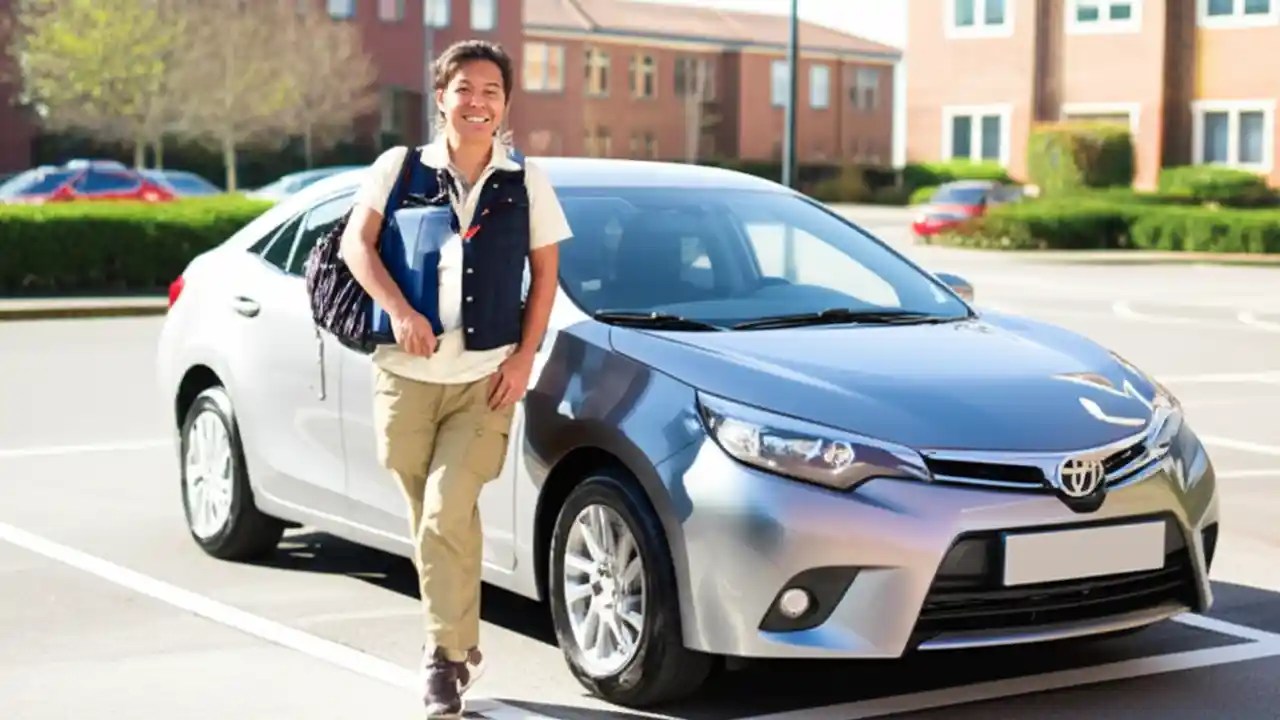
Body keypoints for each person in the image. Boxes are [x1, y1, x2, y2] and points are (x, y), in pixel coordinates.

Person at [338, 39, 572, 718]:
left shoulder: (525, 180)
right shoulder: (400, 168)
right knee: (434, 520)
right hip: (404, 376)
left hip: (483, 379)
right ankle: (462, 645)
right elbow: (358, 245)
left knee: (445, 510)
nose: (478, 102)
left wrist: (525, 358)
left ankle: (444, 659)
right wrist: (399, 311)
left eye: (491, 91)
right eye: (464, 89)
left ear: (504, 105)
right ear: (440, 97)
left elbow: (546, 276)